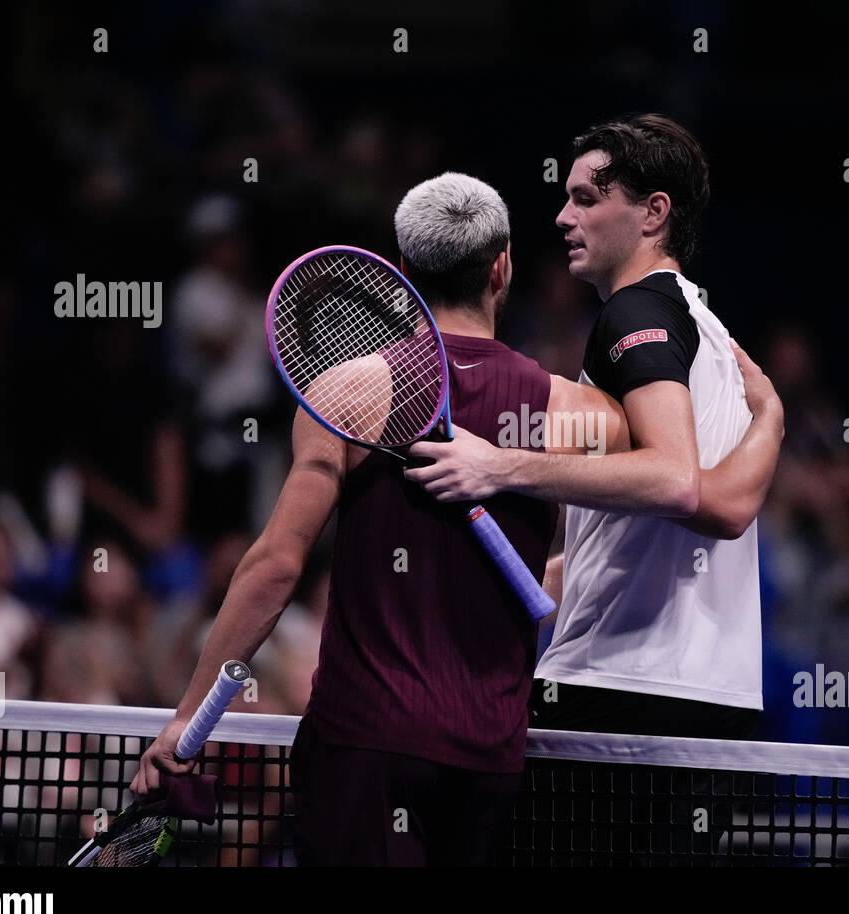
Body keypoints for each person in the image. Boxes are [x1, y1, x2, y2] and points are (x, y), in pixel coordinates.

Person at [133, 173, 628, 866]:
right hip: (489, 755)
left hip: (364, 746)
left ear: (399, 273)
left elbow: (277, 563)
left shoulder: (344, 393)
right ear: (502, 265)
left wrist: (188, 715)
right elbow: (658, 511)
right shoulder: (576, 413)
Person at [406, 115, 785, 740]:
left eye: (586, 198)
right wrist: (772, 420)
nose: (562, 216)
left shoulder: (634, 310)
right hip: (716, 696)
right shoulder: (710, 331)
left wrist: (499, 465)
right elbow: (723, 504)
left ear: (653, 213)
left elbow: (672, 480)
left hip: (614, 686)